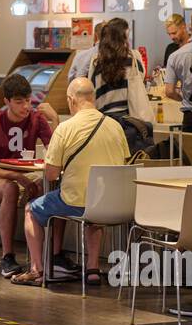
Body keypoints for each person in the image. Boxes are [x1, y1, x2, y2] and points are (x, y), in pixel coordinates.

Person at [13, 78, 130, 286]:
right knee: (94, 213)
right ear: (92, 97)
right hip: (111, 203)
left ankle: (37, 269)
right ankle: (92, 269)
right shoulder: (116, 126)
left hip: (75, 201)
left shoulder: (66, 128)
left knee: (32, 209)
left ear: (71, 100)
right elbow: (123, 162)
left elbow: (50, 175)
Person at [0, 73, 56, 279]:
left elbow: (55, 152)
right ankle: (7, 256)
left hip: (26, 175)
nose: (25, 106)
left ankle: (50, 255)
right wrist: (15, 176)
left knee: (51, 186)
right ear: (7, 102)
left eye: (28, 100)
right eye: (19, 102)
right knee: (10, 187)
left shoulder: (37, 119)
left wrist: (55, 120)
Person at [88, 19, 154, 126]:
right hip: (130, 118)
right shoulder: (134, 57)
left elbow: (92, 87)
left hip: (104, 120)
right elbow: (141, 77)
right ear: (123, 37)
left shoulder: (97, 61)